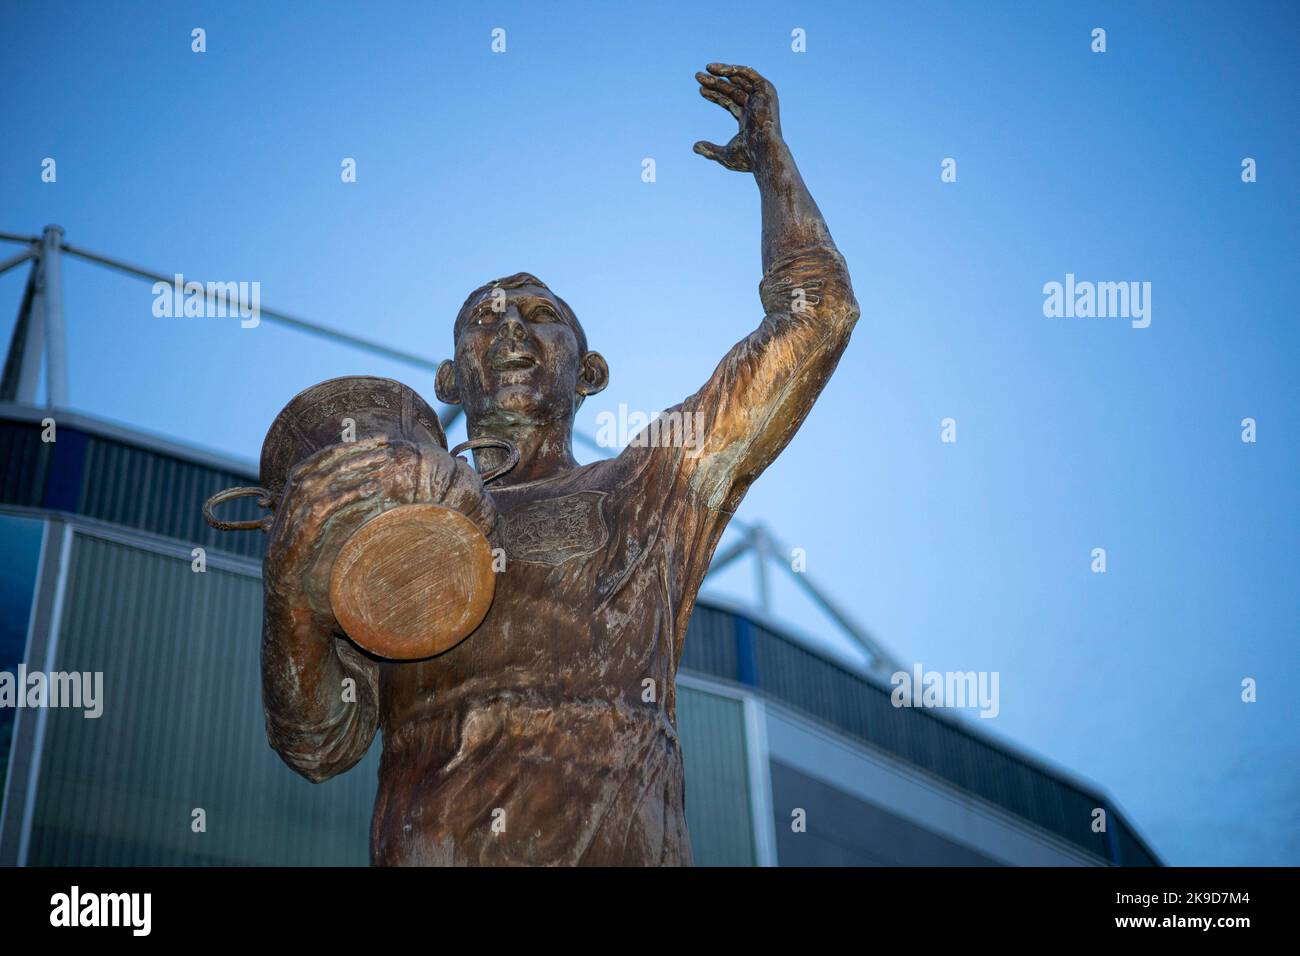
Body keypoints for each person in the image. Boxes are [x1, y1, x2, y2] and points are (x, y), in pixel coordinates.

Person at [260, 63, 861, 865]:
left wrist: (772, 164)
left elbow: (817, 317)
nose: (511, 332)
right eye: (486, 320)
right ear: (449, 381)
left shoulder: (646, 487)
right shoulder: (394, 537)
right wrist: (292, 598)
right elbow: (319, 746)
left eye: (542, 318)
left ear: (590, 371)